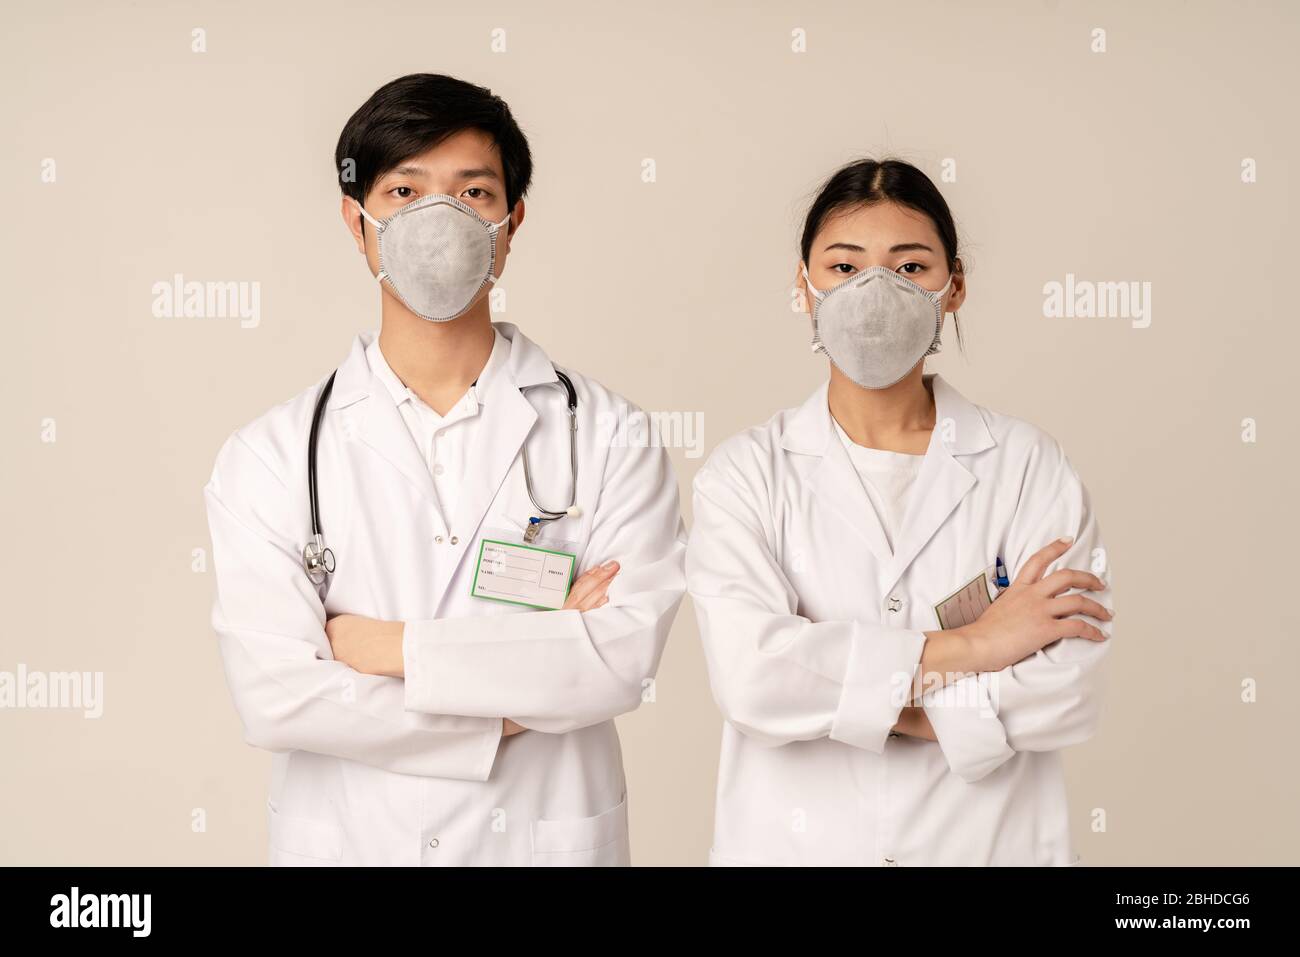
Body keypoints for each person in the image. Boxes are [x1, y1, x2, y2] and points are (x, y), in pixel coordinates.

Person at [202, 74, 686, 866]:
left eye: (473, 192)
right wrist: (510, 700)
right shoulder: (270, 455)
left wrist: (382, 646)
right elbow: (277, 700)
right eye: (403, 190)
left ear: (511, 222)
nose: (440, 219)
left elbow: (614, 664)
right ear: (356, 221)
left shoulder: (610, 436)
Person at [686, 158, 1115, 867]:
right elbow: (754, 678)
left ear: (954, 288)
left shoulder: (1028, 467)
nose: (875, 293)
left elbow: (1068, 690)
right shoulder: (746, 473)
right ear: (804, 286)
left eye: (910, 267)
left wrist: (850, 691)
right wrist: (979, 647)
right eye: (845, 266)